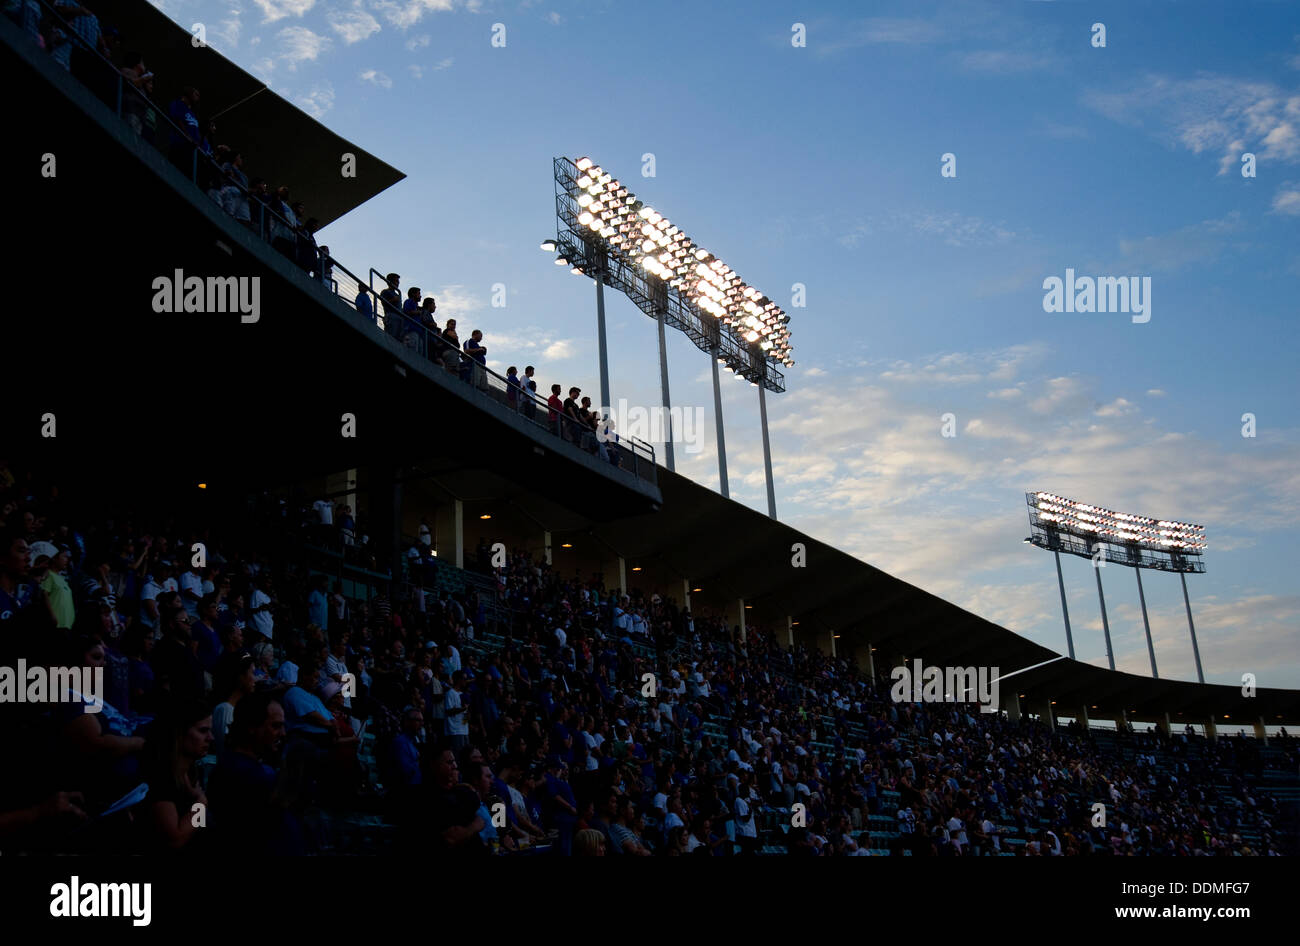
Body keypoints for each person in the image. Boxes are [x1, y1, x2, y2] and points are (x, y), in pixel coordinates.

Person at [139, 700, 214, 852]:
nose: (210, 738)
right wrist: (201, 803)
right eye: (202, 731)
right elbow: (176, 839)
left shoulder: (190, 771)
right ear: (179, 733)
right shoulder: (161, 777)